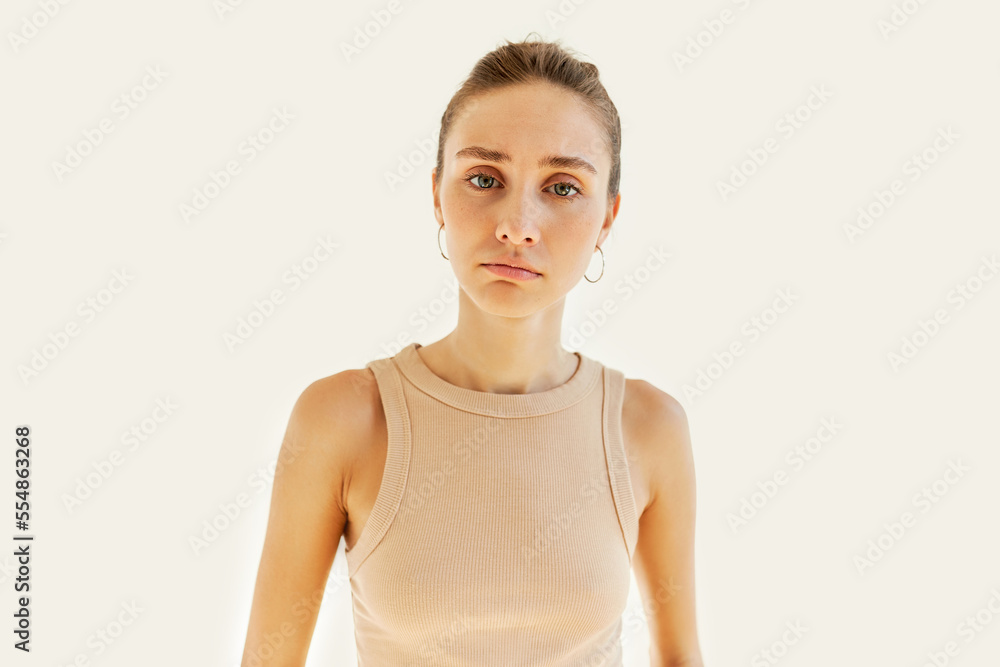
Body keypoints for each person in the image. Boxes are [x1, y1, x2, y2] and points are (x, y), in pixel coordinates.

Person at [241, 34, 704, 667]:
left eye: (563, 186)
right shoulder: (342, 419)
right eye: (484, 178)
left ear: (607, 219)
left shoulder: (648, 430)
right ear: (437, 194)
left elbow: (681, 658)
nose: (516, 223)